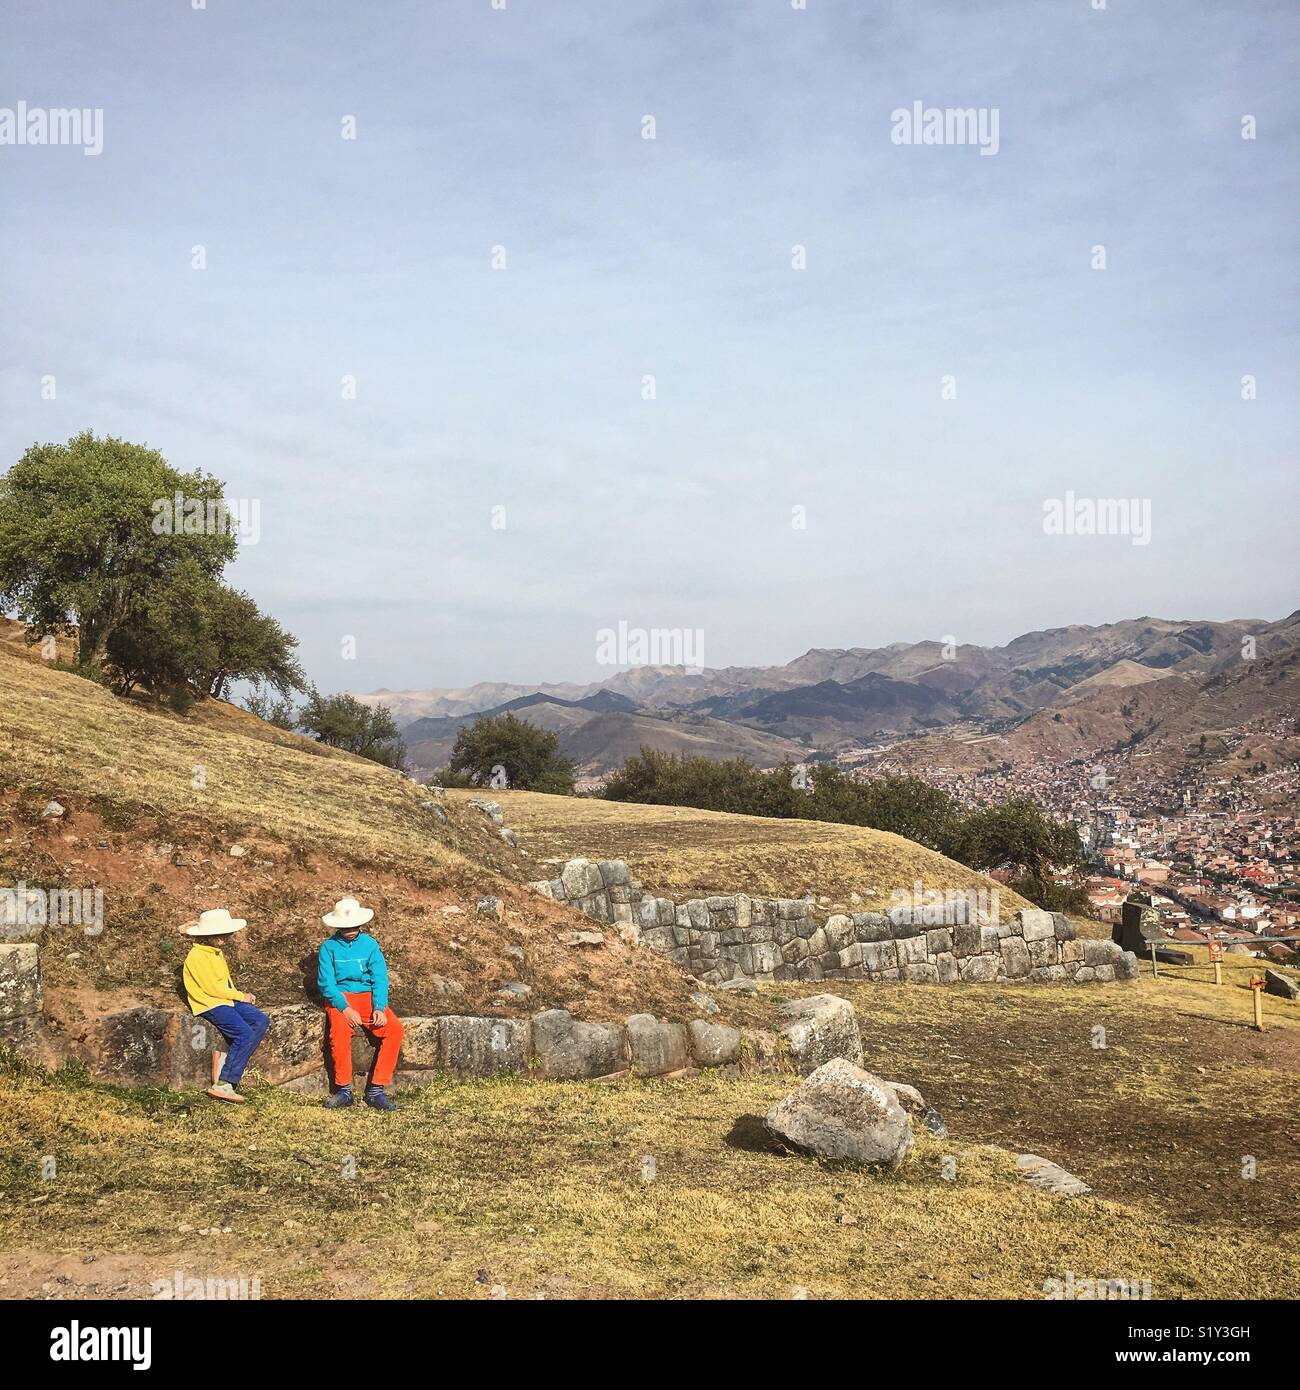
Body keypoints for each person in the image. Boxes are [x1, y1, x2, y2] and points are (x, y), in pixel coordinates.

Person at [317, 896, 404, 1111]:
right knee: (338, 1033)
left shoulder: (370, 944)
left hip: (367, 997)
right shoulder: (328, 948)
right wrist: (344, 1008)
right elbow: (326, 983)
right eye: (346, 926)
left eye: (354, 925)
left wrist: (379, 1007)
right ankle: (344, 1090)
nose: (351, 930)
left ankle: (376, 1090)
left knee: (394, 1030)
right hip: (340, 998)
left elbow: (380, 978)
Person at [181, 908, 269, 1104]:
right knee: (244, 1033)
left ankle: (229, 1063)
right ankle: (224, 1082)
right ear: (207, 935)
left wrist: (238, 997)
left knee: (260, 1020)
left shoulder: (215, 952)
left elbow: (224, 984)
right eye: (219, 934)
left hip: (226, 1000)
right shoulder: (197, 956)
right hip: (210, 1003)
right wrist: (241, 996)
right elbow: (211, 988)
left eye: (225, 933)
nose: (224, 937)